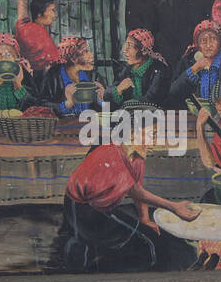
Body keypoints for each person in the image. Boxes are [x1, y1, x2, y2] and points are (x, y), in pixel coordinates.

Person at [58, 117, 200, 272]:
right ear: (133, 134)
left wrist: (144, 219)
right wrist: (174, 206)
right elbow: (135, 191)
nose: (156, 139)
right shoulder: (112, 152)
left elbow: (137, 187)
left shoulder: (137, 157)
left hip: (102, 207)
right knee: (146, 246)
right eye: (152, 134)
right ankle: (80, 247)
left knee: (148, 239)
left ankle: (84, 243)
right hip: (84, 211)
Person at [168, 21, 221, 109]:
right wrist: (194, 69)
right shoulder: (187, 62)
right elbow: (173, 93)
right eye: (203, 40)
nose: (208, 45)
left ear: (220, 42)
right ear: (198, 45)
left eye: (213, 39)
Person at [39, 35, 107, 116]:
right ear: (73, 58)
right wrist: (67, 104)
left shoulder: (94, 76)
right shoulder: (54, 76)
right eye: (85, 52)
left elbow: (105, 111)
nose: (91, 55)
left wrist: (102, 100)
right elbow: (41, 105)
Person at [110, 28, 171, 108]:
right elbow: (110, 95)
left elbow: (151, 100)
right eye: (126, 45)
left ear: (144, 51)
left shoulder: (159, 70)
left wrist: (125, 104)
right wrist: (118, 90)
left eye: (130, 45)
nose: (125, 50)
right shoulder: (126, 70)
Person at [15, 0, 61, 73]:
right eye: (52, 10)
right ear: (39, 14)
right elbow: (50, 62)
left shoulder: (24, 27)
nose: (54, 15)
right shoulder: (37, 32)